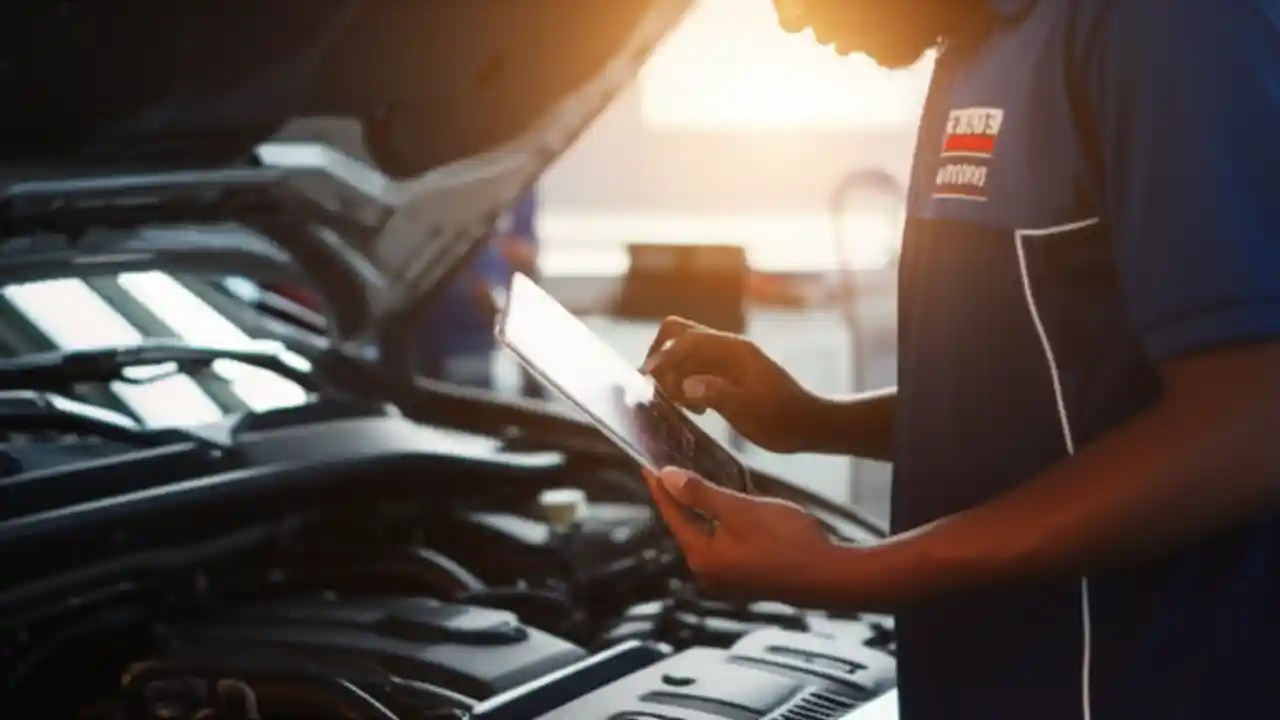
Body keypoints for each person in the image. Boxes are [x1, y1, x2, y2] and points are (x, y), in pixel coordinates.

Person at [641, 2, 1280, 719]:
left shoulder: (1165, 24)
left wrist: (860, 571)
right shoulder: (970, 41)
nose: (790, 20)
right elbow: (1053, 399)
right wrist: (814, 421)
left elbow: (1250, 421)